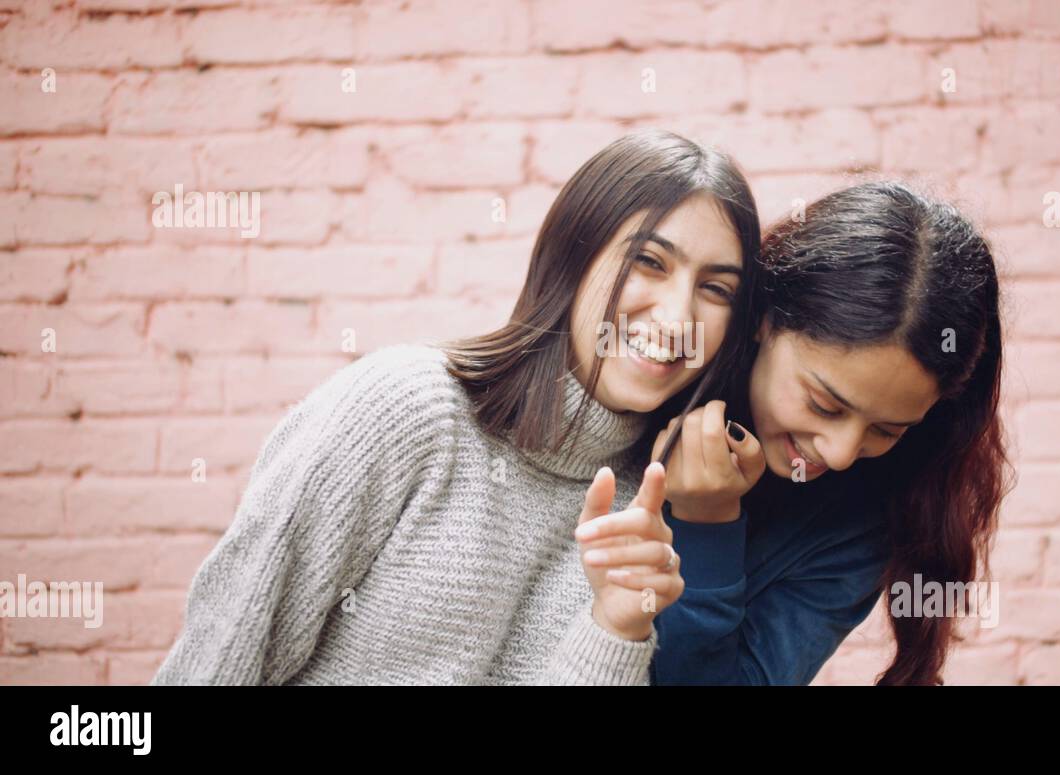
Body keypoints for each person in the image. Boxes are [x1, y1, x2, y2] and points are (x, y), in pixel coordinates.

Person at [150, 129, 762, 685]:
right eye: (648, 262)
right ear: (572, 258)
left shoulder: (654, 509)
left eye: (715, 289)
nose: (678, 319)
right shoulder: (402, 408)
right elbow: (221, 659)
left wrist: (616, 626)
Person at [583, 181, 1009, 685]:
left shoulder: (860, 524)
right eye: (824, 404)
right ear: (765, 318)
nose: (843, 453)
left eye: (887, 429)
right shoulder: (655, 370)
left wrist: (707, 524)